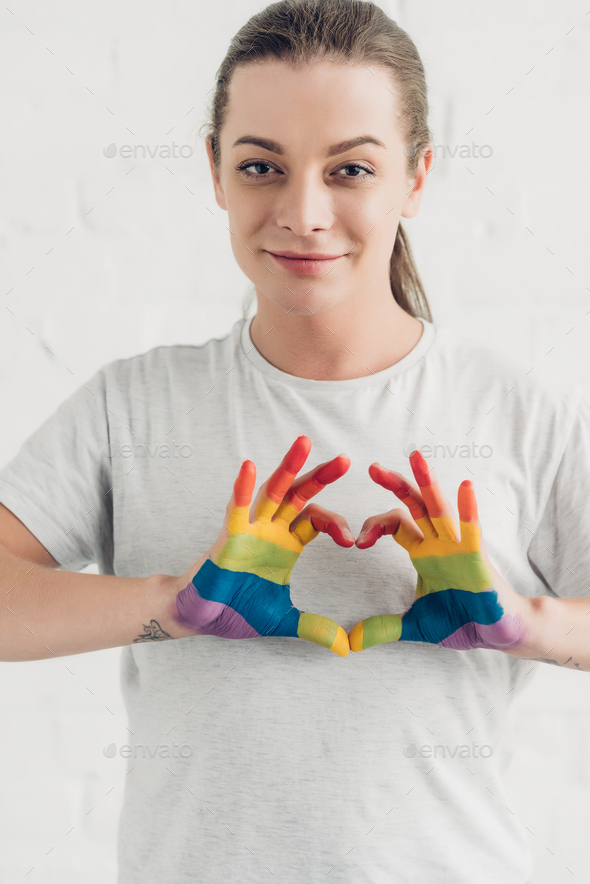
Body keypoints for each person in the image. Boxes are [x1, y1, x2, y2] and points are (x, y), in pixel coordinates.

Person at [1, 1, 589, 881]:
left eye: (350, 168)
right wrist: (175, 605)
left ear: (417, 177)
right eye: (260, 166)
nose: (303, 212)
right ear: (216, 172)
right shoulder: (136, 403)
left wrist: (520, 624)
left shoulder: (514, 410)